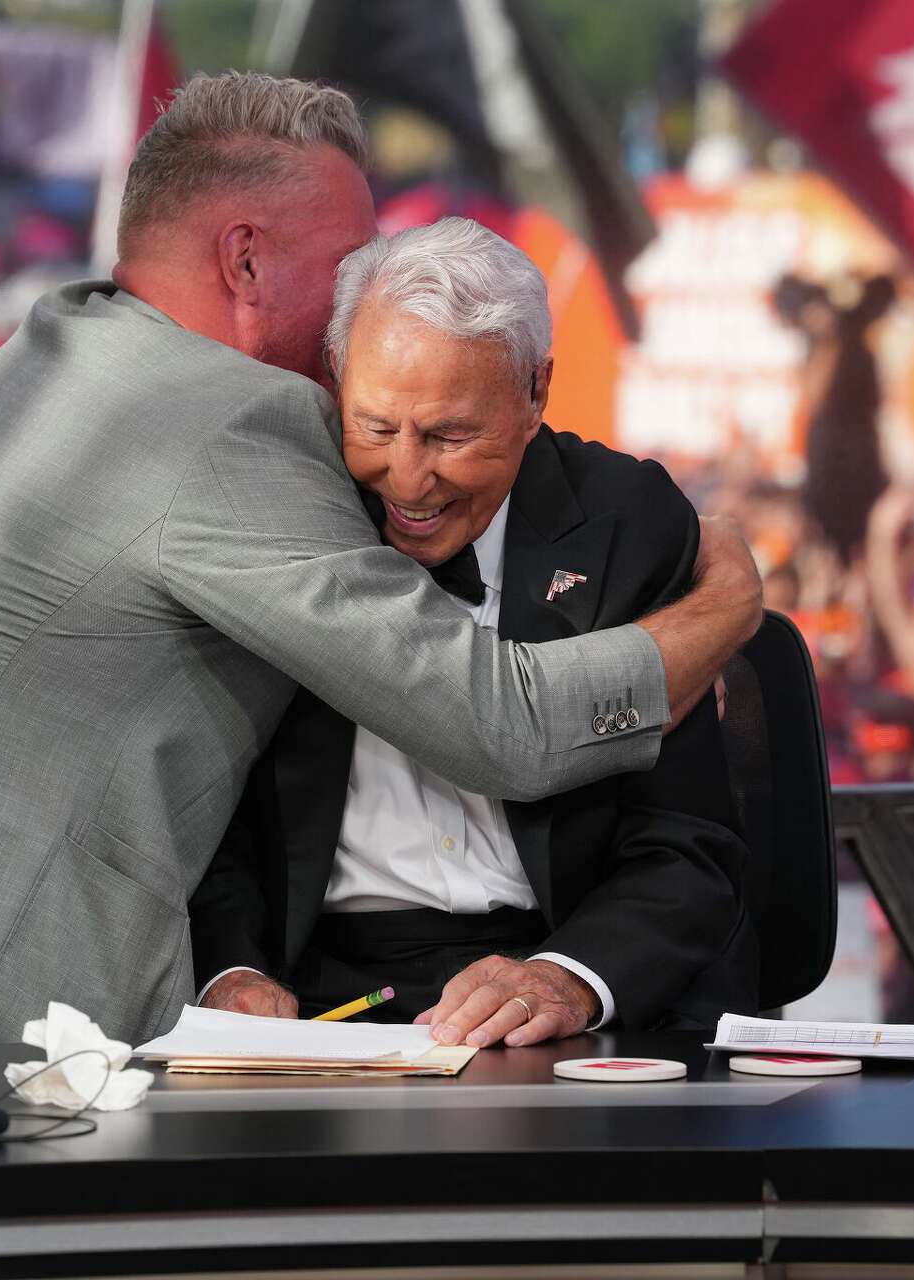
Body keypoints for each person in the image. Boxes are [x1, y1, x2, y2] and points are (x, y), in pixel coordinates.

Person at [0, 73, 761, 1052]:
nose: (361, 308)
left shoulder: (55, 347)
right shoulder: (234, 423)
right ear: (244, 258)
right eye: (346, 270)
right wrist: (726, 606)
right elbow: (495, 722)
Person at [191, 220, 757, 1046]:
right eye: (377, 428)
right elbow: (206, 802)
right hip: (319, 1000)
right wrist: (230, 970)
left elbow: (689, 845)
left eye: (452, 436)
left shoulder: (627, 524)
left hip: (559, 985)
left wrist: (572, 978)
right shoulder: (287, 512)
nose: (410, 480)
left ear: (537, 393)